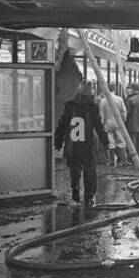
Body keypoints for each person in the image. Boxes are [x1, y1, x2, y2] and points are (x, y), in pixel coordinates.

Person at [55, 80, 110, 209]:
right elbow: (98, 125)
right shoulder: (92, 107)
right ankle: (89, 196)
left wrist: (58, 141)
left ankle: (75, 191)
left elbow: (62, 124)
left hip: (72, 145)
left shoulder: (69, 105)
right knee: (90, 170)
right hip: (87, 145)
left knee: (74, 169)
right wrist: (105, 141)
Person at [98, 83, 130, 167]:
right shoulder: (119, 99)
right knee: (121, 141)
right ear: (114, 90)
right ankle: (124, 161)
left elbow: (101, 114)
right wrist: (123, 120)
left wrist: (102, 124)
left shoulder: (103, 100)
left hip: (107, 124)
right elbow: (124, 111)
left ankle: (112, 161)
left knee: (110, 142)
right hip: (118, 123)